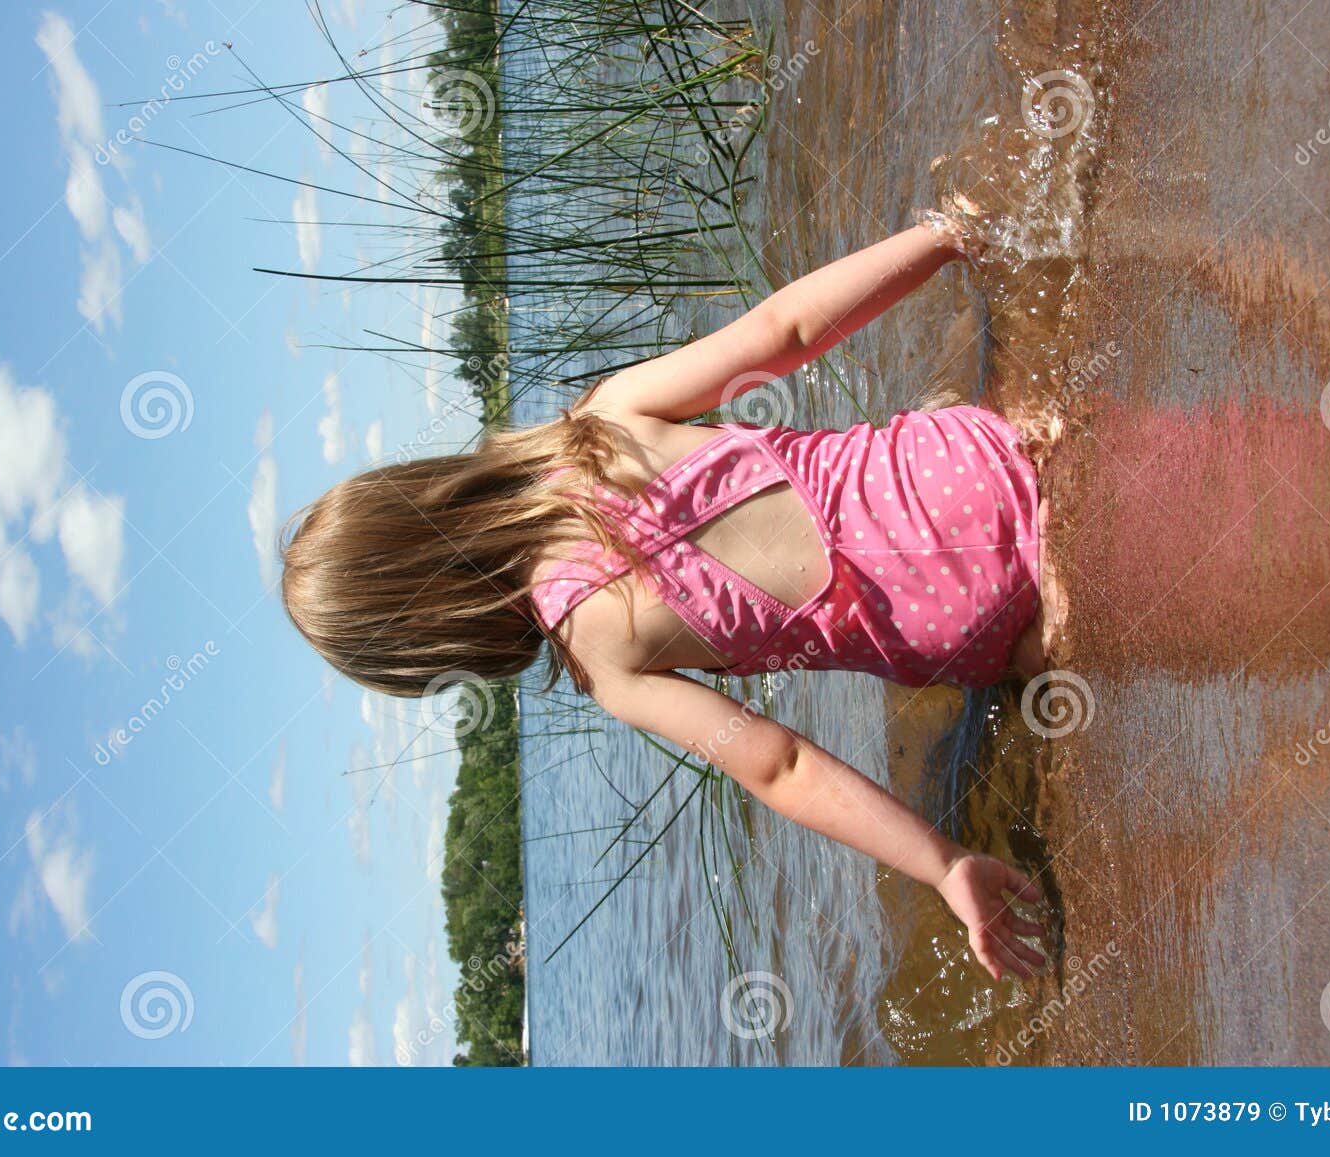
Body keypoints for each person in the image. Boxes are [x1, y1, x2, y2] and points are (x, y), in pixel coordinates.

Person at [282, 216, 1053, 981]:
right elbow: (787, 330)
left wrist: (946, 863)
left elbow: (782, 766)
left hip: (960, 625)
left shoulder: (605, 663)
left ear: (437, 647)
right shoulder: (600, 425)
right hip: (963, 468)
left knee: (1072, 636)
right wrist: (942, 238)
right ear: (418, 492)